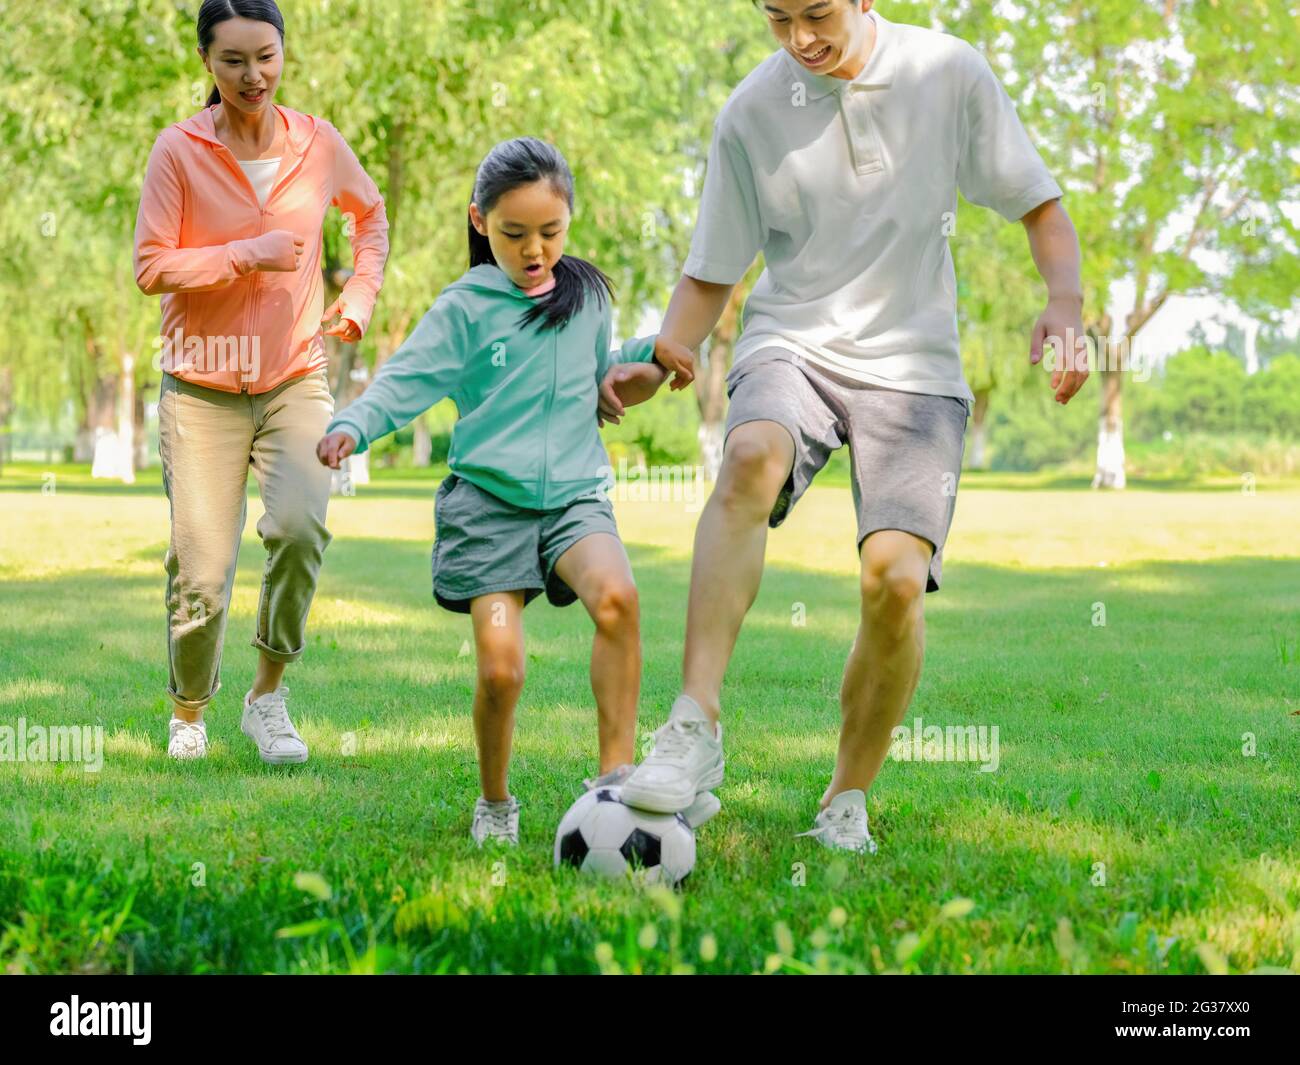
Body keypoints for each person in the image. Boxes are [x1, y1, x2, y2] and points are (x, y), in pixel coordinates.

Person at [606, 0, 1089, 852]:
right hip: (793, 339)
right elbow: (713, 267)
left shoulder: (948, 72)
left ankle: (845, 798)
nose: (801, 39)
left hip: (916, 367)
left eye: (817, 13)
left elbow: (1038, 204)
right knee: (750, 455)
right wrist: (665, 352)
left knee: (895, 582)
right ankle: (693, 726)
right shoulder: (753, 112)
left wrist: (1064, 304)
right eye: (778, 17)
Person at [315, 137, 711, 847]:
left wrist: (651, 348)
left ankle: (615, 778)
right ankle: (496, 800)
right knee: (503, 670)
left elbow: (600, 366)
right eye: (515, 234)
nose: (536, 250)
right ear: (479, 221)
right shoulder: (466, 308)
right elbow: (408, 380)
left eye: (551, 232)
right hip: (489, 508)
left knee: (619, 597)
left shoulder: (584, 295)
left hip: (573, 500)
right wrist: (352, 426)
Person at [133, 0, 389, 763]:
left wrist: (360, 296)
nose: (254, 75)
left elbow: (369, 216)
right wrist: (246, 251)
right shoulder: (178, 151)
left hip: (294, 375)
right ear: (207, 63)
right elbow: (151, 267)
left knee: (303, 526)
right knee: (202, 572)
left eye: (267, 56)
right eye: (235, 60)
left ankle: (266, 697)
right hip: (199, 387)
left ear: (283, 53)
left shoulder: (318, 143)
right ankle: (188, 712)